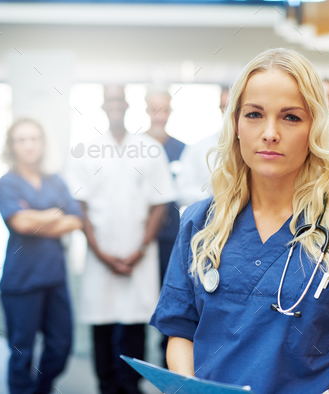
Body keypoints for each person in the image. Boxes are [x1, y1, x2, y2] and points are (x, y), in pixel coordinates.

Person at [150, 48, 329, 394]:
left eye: (291, 117)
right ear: (235, 124)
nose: (270, 133)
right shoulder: (202, 222)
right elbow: (181, 333)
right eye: (254, 114)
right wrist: (189, 387)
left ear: (315, 128)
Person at [67, 85, 176, 394]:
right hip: (99, 255)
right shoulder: (87, 150)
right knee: (100, 324)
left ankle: (131, 386)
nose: (115, 105)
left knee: (134, 324)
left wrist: (139, 249)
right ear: (103, 106)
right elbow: (81, 206)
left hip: (139, 255)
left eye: (119, 100)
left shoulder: (149, 148)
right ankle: (106, 386)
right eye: (109, 100)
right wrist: (101, 253)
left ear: (129, 105)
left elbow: (161, 203)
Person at [0, 118, 83, 394]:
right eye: (21, 139)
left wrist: (35, 218)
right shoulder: (6, 183)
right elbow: (20, 224)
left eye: (34, 138)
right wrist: (54, 214)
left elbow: (77, 220)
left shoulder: (55, 181)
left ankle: (41, 390)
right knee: (22, 352)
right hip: (20, 280)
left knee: (61, 344)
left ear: (42, 144)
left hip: (54, 277)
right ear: (11, 146)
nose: (28, 145)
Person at [144, 87, 185, 367]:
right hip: (138, 238)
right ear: (146, 110)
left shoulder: (182, 149)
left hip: (170, 237)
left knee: (169, 298)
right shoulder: (135, 148)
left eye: (165, 109)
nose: (160, 115)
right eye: (154, 108)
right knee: (136, 305)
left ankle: (167, 363)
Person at [175, 86, 229, 207]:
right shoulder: (199, 148)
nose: (229, 112)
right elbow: (182, 191)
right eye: (224, 107)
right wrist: (211, 196)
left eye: (234, 107)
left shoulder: (259, 147)